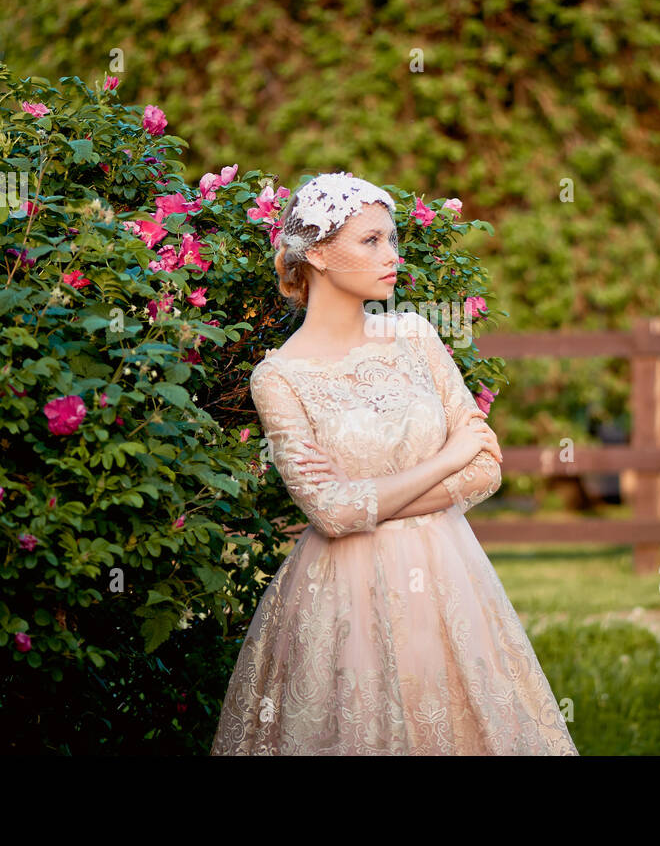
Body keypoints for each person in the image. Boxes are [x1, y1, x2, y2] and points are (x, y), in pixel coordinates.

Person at [209, 172, 577, 755]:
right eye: (371, 241)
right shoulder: (278, 378)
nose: (392, 256)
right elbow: (329, 514)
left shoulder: (415, 336)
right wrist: (446, 460)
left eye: (392, 239)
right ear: (321, 256)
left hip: (450, 579)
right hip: (341, 592)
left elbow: (485, 469)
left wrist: (373, 496)